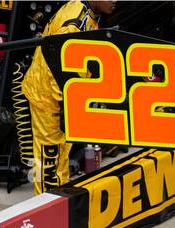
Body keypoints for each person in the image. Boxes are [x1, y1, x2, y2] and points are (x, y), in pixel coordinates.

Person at [21, 0, 116, 194]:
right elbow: (57, 68)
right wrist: (65, 105)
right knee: (48, 157)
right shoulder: (73, 23)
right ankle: (45, 204)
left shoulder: (87, 12)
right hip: (49, 97)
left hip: (62, 96)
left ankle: (59, 195)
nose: (116, 1)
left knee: (62, 152)